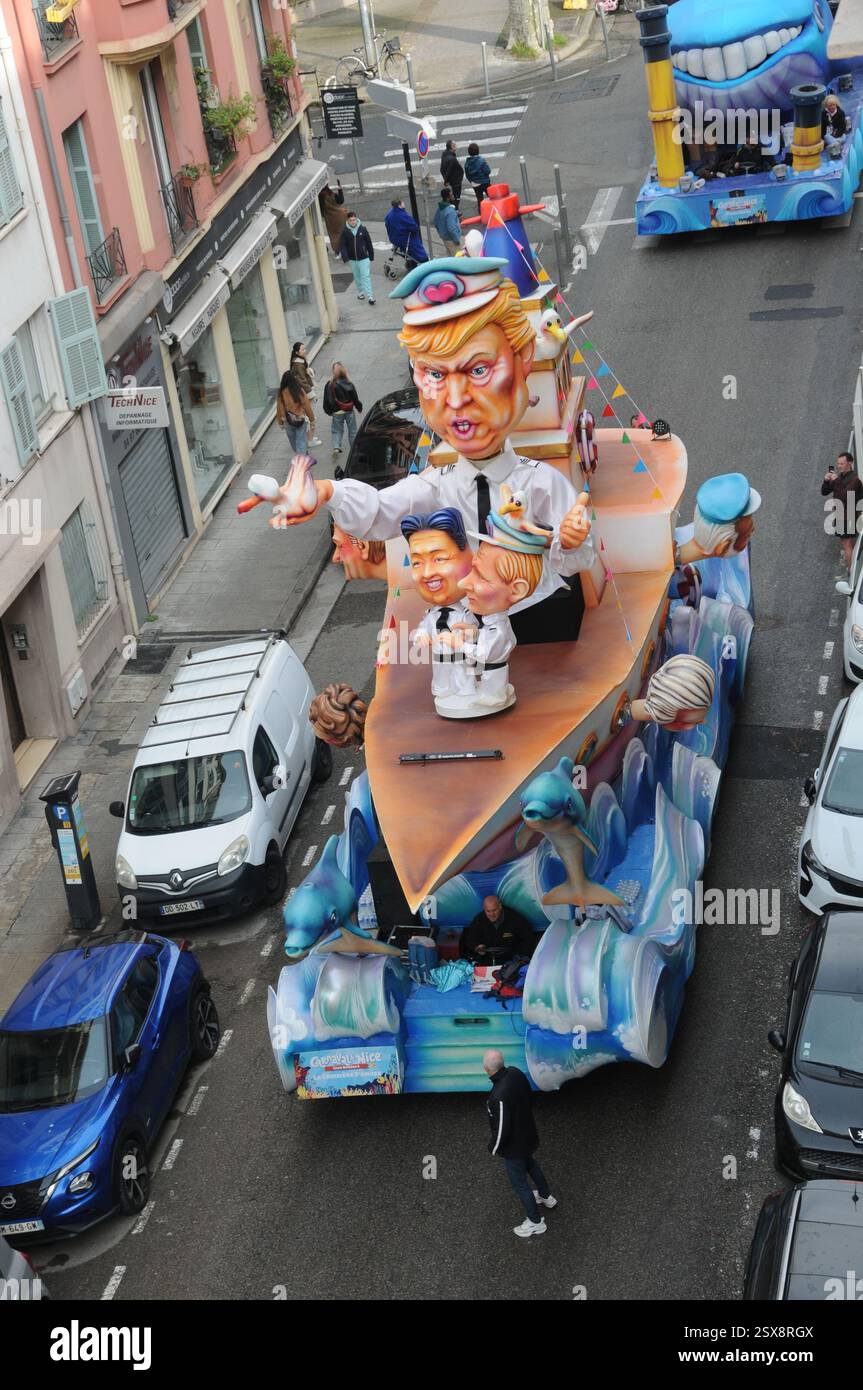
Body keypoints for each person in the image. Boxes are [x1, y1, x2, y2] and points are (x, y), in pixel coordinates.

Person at [269, 257, 596, 647]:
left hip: (542, 616)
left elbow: (575, 560)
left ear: (523, 358)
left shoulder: (540, 482)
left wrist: (570, 540)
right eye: (435, 375)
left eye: (478, 370)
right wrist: (325, 490)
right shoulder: (434, 487)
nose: (456, 401)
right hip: (469, 623)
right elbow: (377, 511)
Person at [483, 1049, 556, 1238]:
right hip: (528, 1134)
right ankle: (546, 1196)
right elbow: (528, 1098)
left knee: (520, 1184)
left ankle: (535, 1222)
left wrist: (494, 1147)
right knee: (532, 1165)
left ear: (486, 1069)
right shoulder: (515, 1072)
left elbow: (501, 1128)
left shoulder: (497, 1095)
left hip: (514, 1146)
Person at [461, 895, 535, 962]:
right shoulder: (479, 920)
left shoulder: (515, 919)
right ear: (484, 909)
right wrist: (477, 946)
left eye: (494, 910)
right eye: (488, 911)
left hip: (511, 960)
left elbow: (527, 939)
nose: (492, 914)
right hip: (486, 960)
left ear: (500, 906)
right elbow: (470, 940)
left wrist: (518, 957)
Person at [822, 451, 863, 569]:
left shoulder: (855, 479)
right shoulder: (841, 477)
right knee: (846, 544)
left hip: (848, 515)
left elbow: (845, 496)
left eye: (842, 463)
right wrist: (826, 480)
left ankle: (851, 573)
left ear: (849, 463)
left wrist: (836, 481)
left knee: (847, 544)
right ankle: (851, 570)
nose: (839, 466)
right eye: (838, 463)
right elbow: (824, 492)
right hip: (842, 514)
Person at [323, 361, 363, 456]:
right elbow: (355, 398)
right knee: (352, 431)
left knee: (336, 430)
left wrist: (328, 411)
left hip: (337, 412)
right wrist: (358, 407)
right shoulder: (349, 383)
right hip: (349, 410)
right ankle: (354, 449)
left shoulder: (329, 385)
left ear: (333, 372)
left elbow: (326, 400)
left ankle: (336, 447)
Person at [338, 211, 376, 304]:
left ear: (356, 219)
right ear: (348, 220)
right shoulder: (345, 232)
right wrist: (345, 257)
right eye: (351, 220)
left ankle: (370, 296)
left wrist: (371, 255)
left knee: (365, 276)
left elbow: (369, 243)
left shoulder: (363, 229)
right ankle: (361, 292)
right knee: (357, 277)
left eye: (354, 220)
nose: (353, 222)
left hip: (364, 258)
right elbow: (342, 246)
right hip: (352, 259)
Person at [275, 368, 314, 454]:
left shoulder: (281, 393)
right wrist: (312, 419)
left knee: (294, 442)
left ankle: (301, 455)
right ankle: (302, 457)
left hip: (287, 421)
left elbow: (279, 408)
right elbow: (307, 406)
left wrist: (280, 422)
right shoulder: (299, 391)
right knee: (301, 441)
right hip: (300, 419)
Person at [290, 342, 321, 444]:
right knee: (311, 417)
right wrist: (311, 393)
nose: (305, 351)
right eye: (303, 349)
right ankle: (309, 440)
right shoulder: (298, 364)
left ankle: (308, 438)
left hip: (303, 392)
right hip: (305, 393)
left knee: (309, 416)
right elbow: (302, 380)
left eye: (305, 348)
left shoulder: (299, 361)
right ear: (297, 352)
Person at [384, 198, 428, 268]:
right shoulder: (402, 215)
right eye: (403, 203)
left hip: (393, 238)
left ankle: (412, 260)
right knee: (416, 247)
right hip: (405, 239)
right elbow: (414, 227)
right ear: (399, 205)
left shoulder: (389, 214)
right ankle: (424, 261)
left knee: (407, 249)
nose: (404, 203)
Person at [319, 180, 347, 256]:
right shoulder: (331, 193)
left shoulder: (320, 197)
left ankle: (337, 252)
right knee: (343, 232)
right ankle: (346, 249)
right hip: (341, 215)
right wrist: (340, 189)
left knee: (334, 235)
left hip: (331, 219)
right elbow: (341, 200)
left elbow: (321, 211)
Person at [433, 188, 461, 255]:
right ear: (448, 198)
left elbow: (436, 222)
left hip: (445, 238)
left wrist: (441, 234)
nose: (453, 196)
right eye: (451, 195)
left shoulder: (440, 208)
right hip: (452, 239)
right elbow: (451, 228)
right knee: (458, 260)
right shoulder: (450, 211)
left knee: (449, 257)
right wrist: (456, 239)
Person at [464, 143, 492, 211]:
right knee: (492, 196)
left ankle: (482, 213)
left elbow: (467, 175)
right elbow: (488, 171)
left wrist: (472, 181)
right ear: (478, 151)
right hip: (485, 182)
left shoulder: (467, 163)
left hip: (475, 184)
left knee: (479, 199)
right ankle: (495, 208)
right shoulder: (481, 160)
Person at [440, 139, 463, 208]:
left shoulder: (444, 154)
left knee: (454, 197)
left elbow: (442, 169)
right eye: (455, 145)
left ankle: (454, 207)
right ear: (452, 147)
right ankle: (456, 209)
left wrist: (446, 180)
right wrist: (446, 181)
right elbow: (449, 172)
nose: (456, 146)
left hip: (453, 180)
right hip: (455, 181)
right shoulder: (452, 159)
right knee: (456, 197)